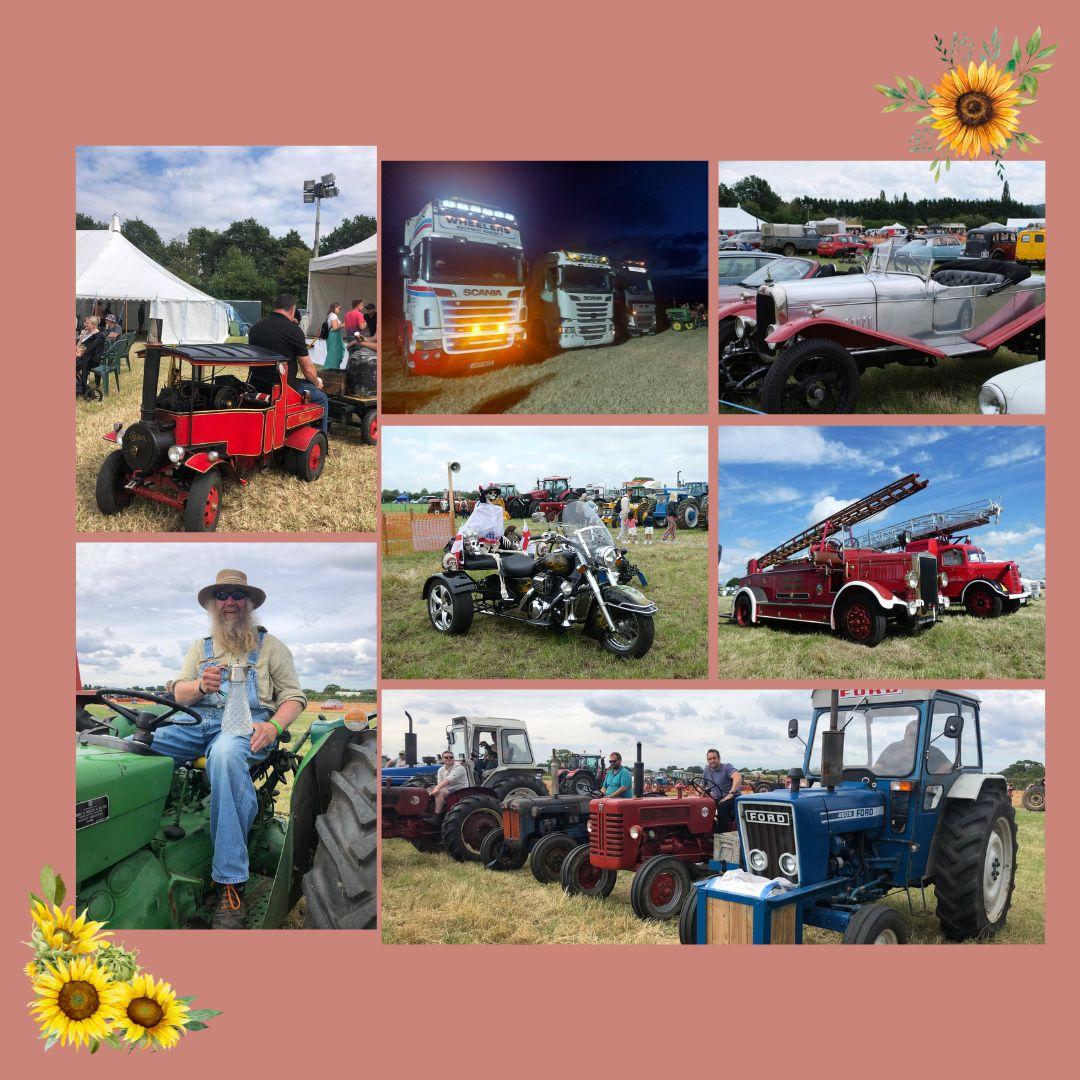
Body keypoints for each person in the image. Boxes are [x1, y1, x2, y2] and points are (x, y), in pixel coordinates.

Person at [142, 569, 307, 929]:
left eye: (236, 594)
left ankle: (231, 882)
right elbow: (178, 693)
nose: (230, 602)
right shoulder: (200, 648)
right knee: (137, 748)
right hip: (196, 723)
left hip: (245, 728)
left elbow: (294, 697)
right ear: (213, 604)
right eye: (222, 595)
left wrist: (274, 725)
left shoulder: (271, 647)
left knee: (226, 757)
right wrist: (199, 685)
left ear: (248, 603)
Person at [247, 293, 329, 437]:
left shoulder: (255, 328)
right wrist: (317, 382)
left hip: (256, 385)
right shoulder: (294, 330)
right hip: (283, 388)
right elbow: (307, 368)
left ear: (275, 307)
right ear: (292, 310)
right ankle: (320, 440)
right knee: (321, 398)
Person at [701, 749, 742, 833]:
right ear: (707, 760)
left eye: (714, 758)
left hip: (732, 797)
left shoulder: (726, 767)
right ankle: (704, 831)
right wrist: (698, 796)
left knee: (722, 804)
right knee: (702, 806)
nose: (712, 761)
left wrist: (731, 793)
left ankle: (720, 833)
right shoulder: (706, 770)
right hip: (717, 798)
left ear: (719, 758)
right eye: (710, 759)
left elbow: (737, 776)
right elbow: (701, 786)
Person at [75, 316, 107, 394]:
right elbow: (79, 344)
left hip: (92, 359)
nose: (85, 324)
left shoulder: (99, 335)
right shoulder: (86, 332)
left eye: (87, 323)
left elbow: (89, 349)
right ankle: (79, 383)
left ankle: (82, 385)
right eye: (85, 322)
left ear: (94, 325)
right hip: (83, 355)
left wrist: (79, 353)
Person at [321, 302, 345, 370]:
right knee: (334, 354)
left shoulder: (329, 315)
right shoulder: (333, 315)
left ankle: (330, 369)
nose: (339, 310)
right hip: (334, 336)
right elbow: (335, 327)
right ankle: (330, 369)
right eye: (339, 308)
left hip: (331, 336)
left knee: (332, 353)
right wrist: (343, 325)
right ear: (335, 308)